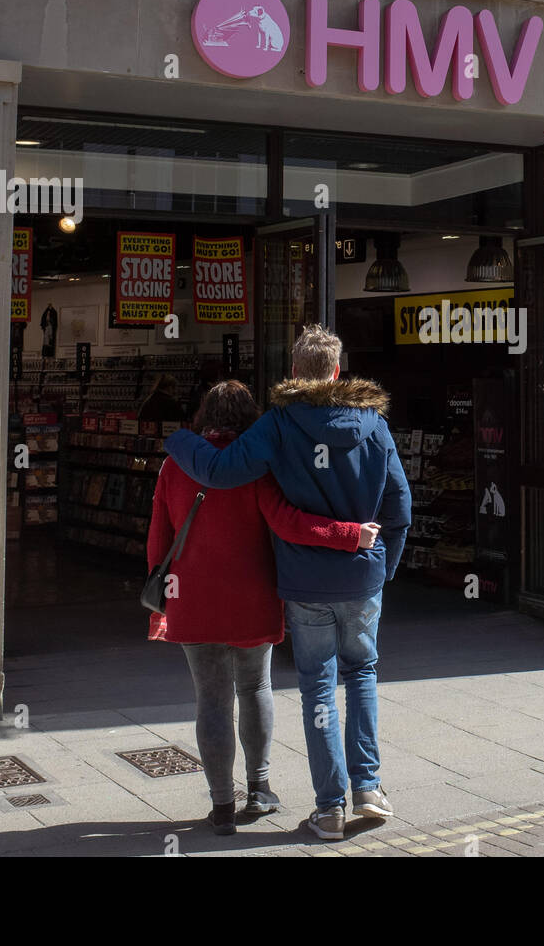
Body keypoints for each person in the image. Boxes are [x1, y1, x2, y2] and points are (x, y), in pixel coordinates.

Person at [164, 324, 411, 842]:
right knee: (362, 674)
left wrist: (177, 437)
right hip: (362, 576)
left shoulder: (279, 424)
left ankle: (329, 809)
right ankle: (368, 787)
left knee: (318, 685)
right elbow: (400, 505)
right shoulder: (375, 424)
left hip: (306, 583)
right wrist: (383, 568)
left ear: (296, 372)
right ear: (338, 371)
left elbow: (219, 469)